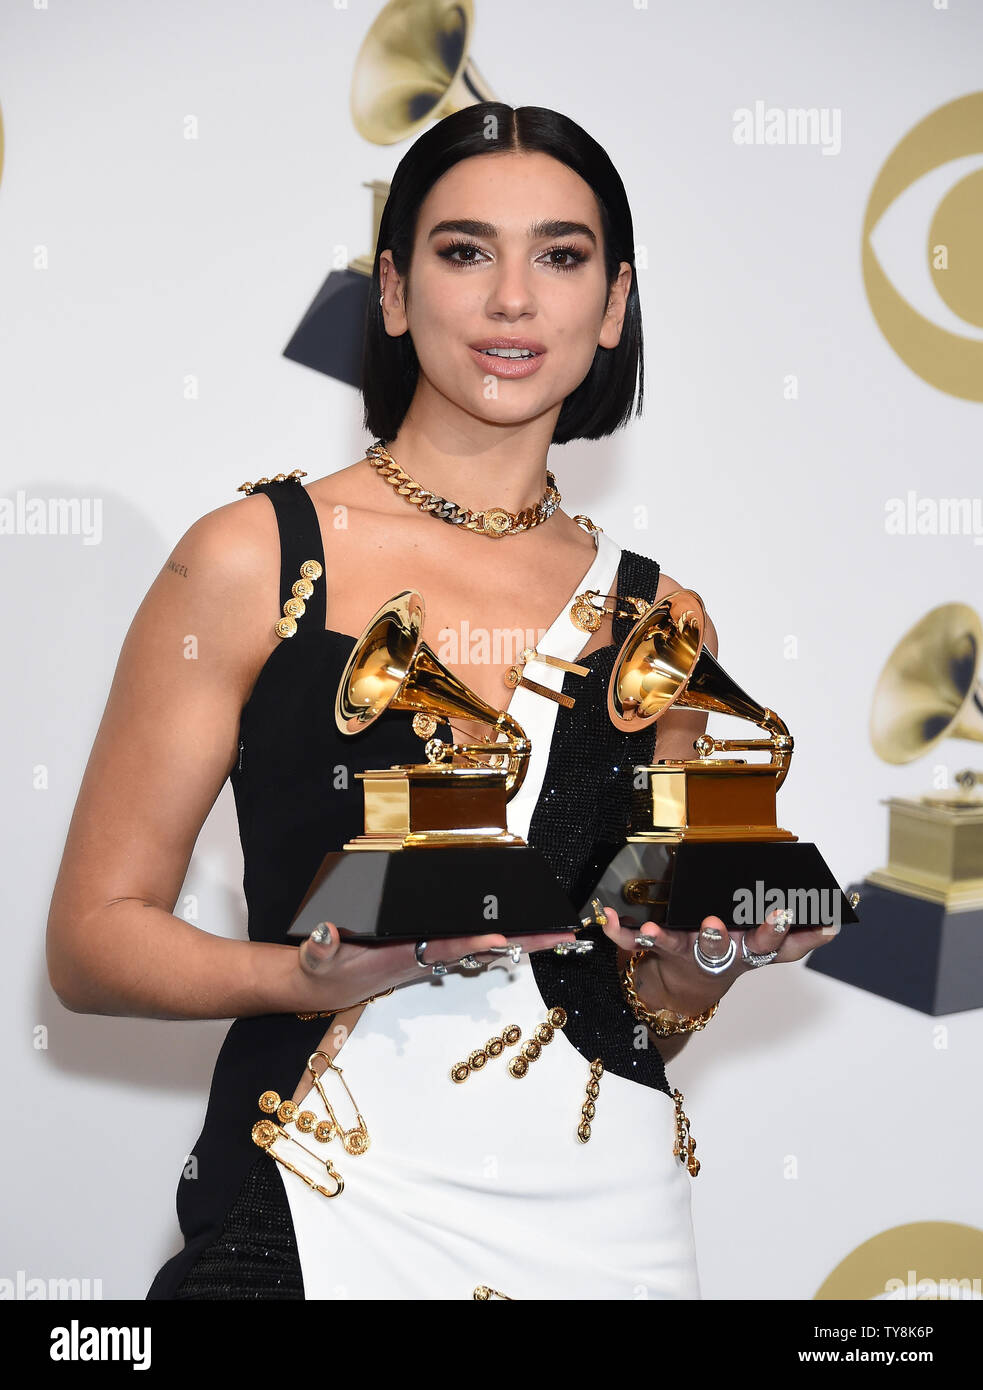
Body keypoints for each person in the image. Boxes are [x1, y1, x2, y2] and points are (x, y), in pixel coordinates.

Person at [46, 103, 838, 1301]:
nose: (512, 299)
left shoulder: (662, 617)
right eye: (465, 251)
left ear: (613, 305)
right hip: (318, 1197)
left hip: (608, 1227)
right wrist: (299, 978)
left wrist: (712, 959)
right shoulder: (254, 557)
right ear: (395, 291)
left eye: (560, 257)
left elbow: (645, 1003)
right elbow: (92, 939)